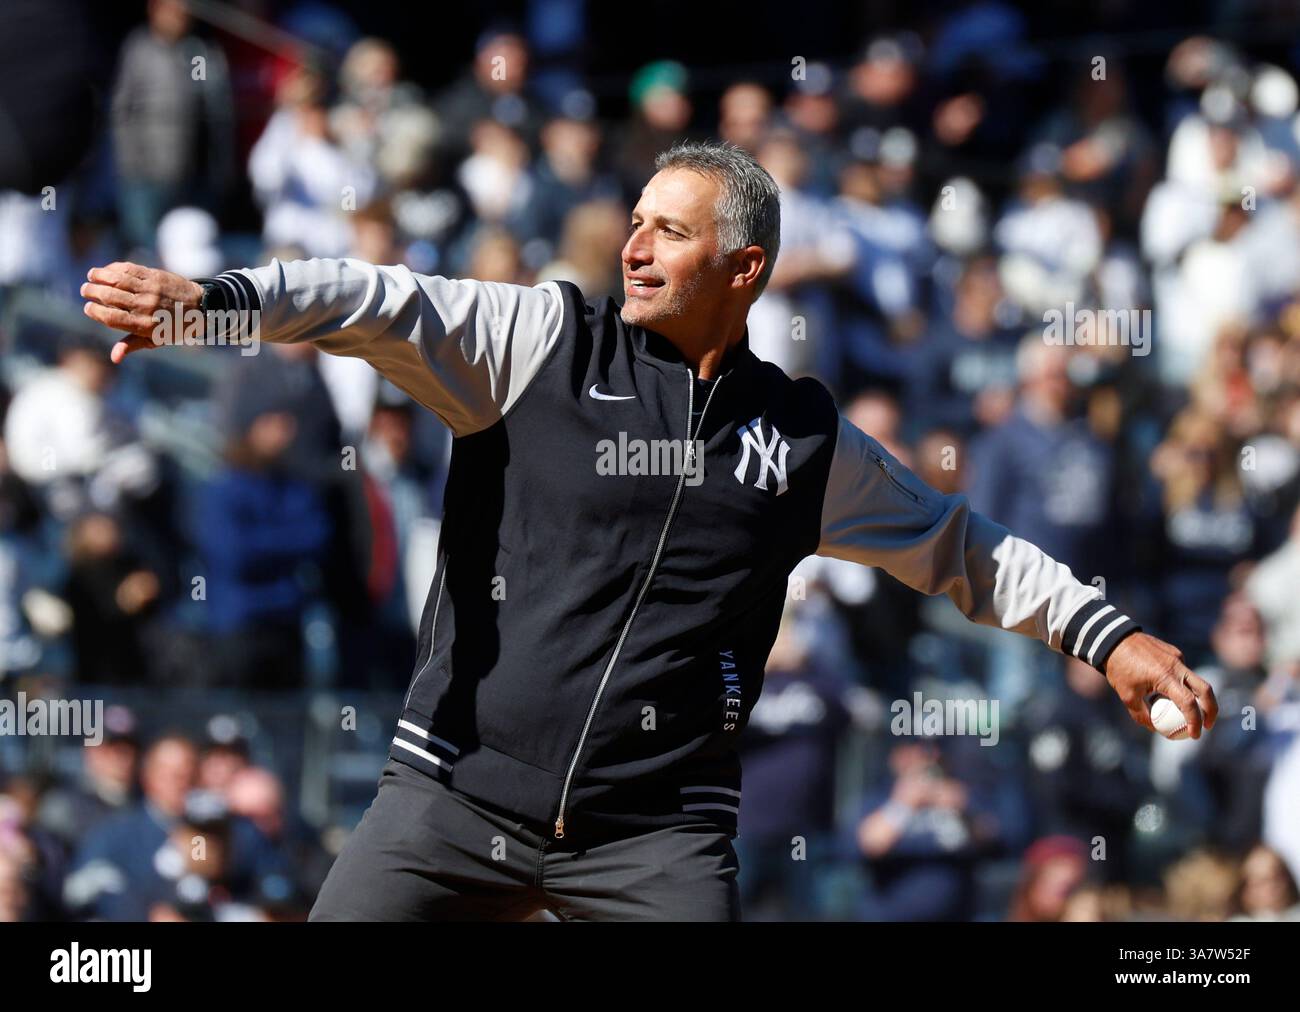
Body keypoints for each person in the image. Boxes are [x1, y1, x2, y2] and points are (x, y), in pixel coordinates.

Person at [80, 141, 1218, 922]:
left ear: (743, 267)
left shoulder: (803, 442)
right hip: (453, 792)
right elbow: (377, 298)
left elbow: (962, 551)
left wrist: (1106, 635)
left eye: (666, 232)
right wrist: (218, 302)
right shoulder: (540, 339)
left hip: (652, 838)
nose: (633, 246)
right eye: (632, 222)